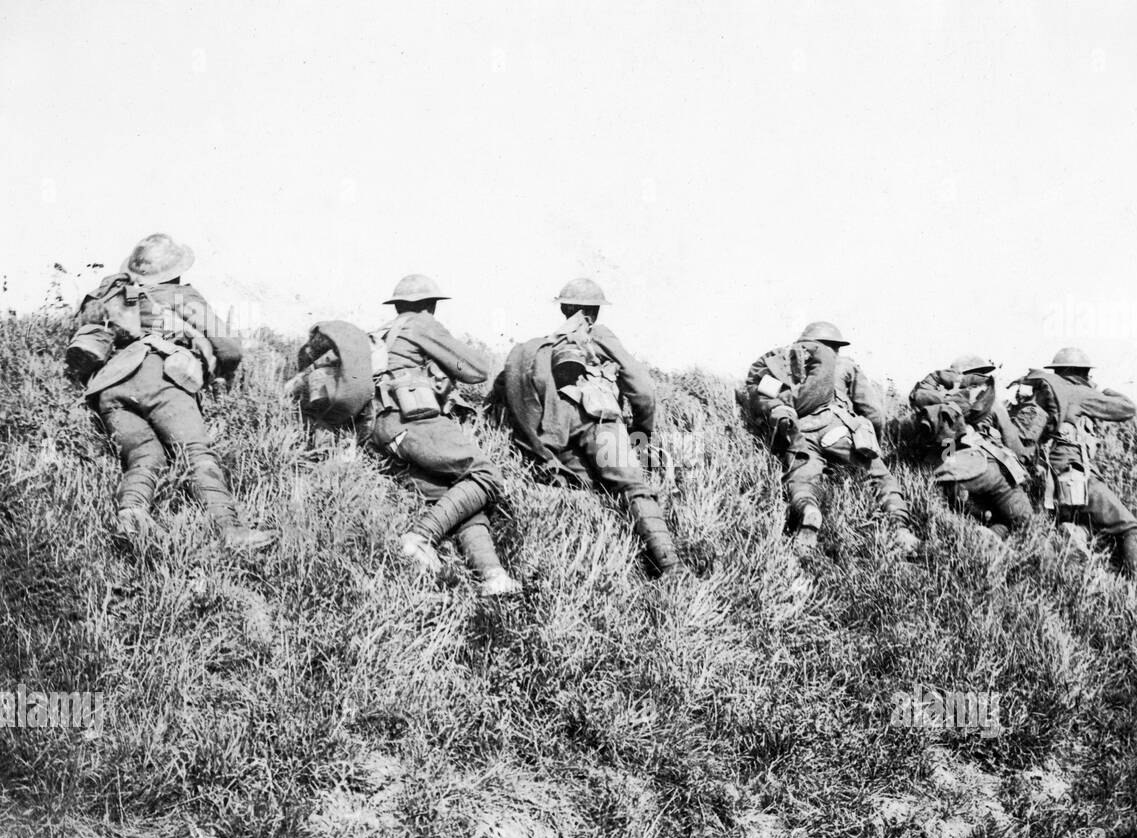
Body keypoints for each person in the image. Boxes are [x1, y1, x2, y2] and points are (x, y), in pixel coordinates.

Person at [288, 274, 520, 596]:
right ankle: (420, 538)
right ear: (430, 306)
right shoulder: (421, 324)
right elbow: (476, 371)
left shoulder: (379, 334)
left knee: (457, 499)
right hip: (412, 420)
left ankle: (493, 575)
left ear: (396, 305)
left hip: (380, 432)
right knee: (485, 474)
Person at [67, 233, 273, 551]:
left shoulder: (110, 293)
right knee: (196, 453)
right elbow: (229, 349)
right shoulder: (180, 295)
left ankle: (131, 516)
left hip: (109, 388)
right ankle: (229, 530)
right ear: (174, 269)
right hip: (161, 378)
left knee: (145, 455)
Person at [490, 278, 680, 576]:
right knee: (633, 486)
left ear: (564, 309)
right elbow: (643, 391)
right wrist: (640, 435)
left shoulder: (546, 345)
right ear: (595, 311)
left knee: (592, 486)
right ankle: (671, 569)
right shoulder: (597, 334)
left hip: (556, 429)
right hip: (598, 421)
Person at [739, 321, 919, 553]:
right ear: (834, 346)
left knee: (801, 477)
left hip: (800, 430)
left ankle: (807, 509)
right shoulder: (845, 365)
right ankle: (900, 529)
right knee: (879, 476)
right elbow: (874, 412)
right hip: (839, 428)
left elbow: (768, 399)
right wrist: (875, 443)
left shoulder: (781, 364)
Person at [1010, 347, 1137, 574]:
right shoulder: (1079, 392)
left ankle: (1074, 534)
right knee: (1131, 527)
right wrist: (1104, 391)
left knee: (1089, 521)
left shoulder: (1041, 393)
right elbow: (1127, 408)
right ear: (1080, 372)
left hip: (1043, 481)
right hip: (1074, 477)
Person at [909, 354, 1033, 540]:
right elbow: (1014, 445)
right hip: (986, 471)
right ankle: (994, 532)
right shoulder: (990, 403)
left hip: (948, 475)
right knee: (1024, 521)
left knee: (985, 510)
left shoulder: (940, 403)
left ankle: (984, 528)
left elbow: (940, 445)